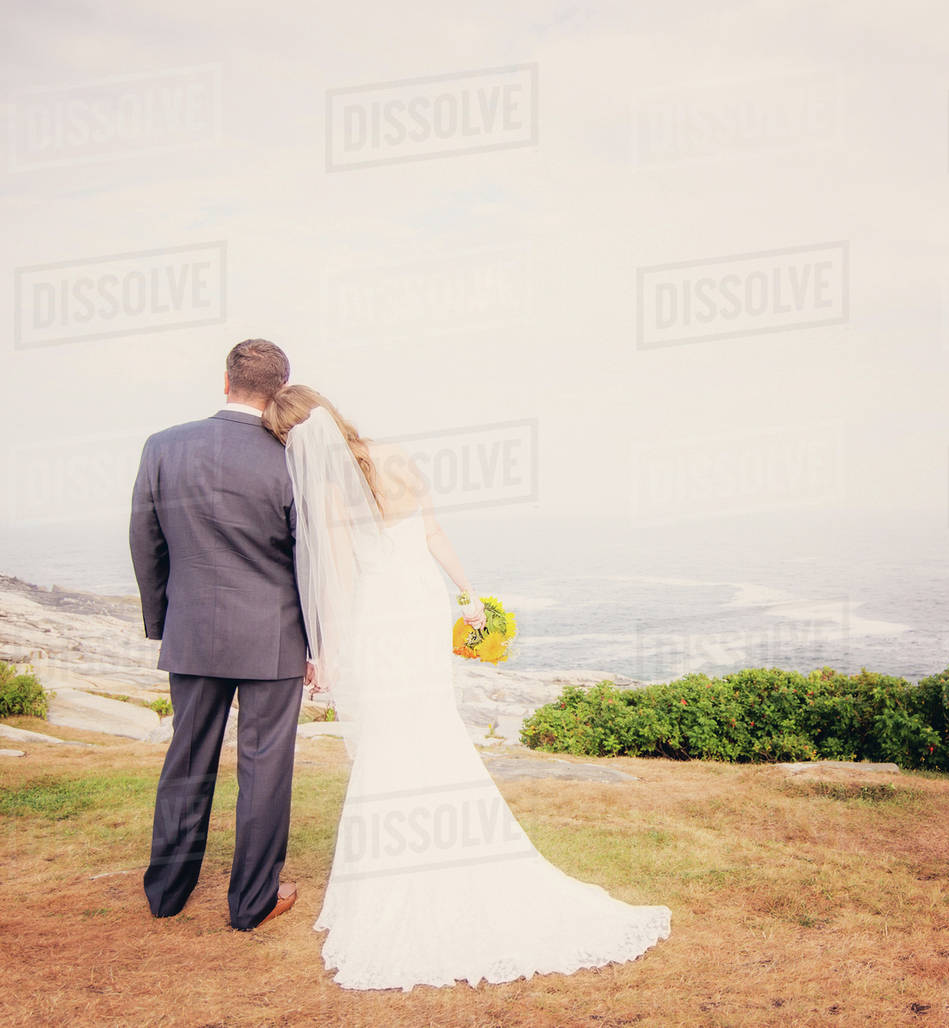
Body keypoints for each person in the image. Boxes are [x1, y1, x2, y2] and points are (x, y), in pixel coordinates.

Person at [261, 385, 672, 991]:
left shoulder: (326, 487)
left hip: (380, 613)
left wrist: (328, 647)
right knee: (430, 724)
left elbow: (343, 571)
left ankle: (400, 866)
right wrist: (468, 594)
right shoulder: (396, 455)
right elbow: (433, 535)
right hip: (422, 604)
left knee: (389, 737)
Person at [130, 339, 311, 930]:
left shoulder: (163, 446)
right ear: (280, 389)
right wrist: (318, 643)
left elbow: (146, 541)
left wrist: (163, 622)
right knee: (265, 769)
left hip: (194, 632)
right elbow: (307, 558)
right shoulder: (292, 456)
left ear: (225, 380)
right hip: (275, 636)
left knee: (187, 760)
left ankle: (166, 894)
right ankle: (252, 903)